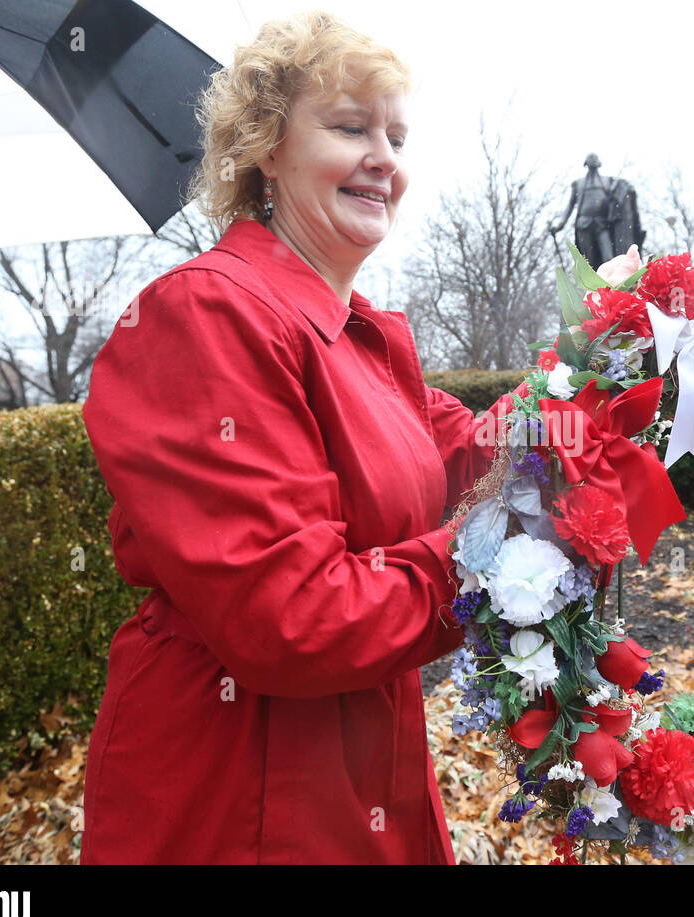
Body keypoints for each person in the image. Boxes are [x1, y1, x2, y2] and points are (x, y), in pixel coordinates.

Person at [79, 11, 519, 863]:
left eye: (396, 135)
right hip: (240, 784)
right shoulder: (206, 314)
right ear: (267, 150)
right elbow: (292, 616)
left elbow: (473, 458)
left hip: (360, 760)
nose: (385, 158)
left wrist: (610, 383)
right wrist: (490, 562)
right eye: (351, 127)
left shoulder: (358, 335)